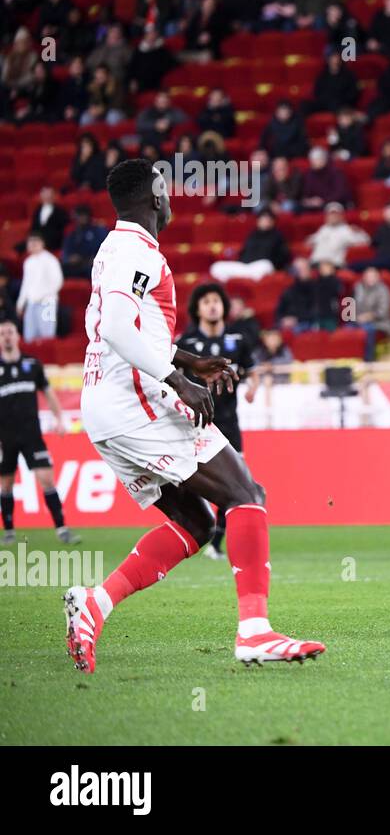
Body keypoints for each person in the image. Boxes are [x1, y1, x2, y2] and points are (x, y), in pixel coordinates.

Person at [65, 159, 324, 673]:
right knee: (245, 492)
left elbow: (129, 329)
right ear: (151, 197)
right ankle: (254, 631)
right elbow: (117, 326)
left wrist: (188, 360)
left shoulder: (113, 249)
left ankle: (94, 605)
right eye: (165, 190)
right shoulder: (135, 250)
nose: (171, 199)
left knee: (195, 522)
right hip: (135, 403)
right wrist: (176, 379)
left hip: (105, 408)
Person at [175, 283, 259, 560]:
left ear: (223, 306)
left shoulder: (239, 339)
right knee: (191, 482)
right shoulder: (186, 344)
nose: (212, 305)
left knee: (237, 481)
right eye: (206, 301)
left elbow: (253, 370)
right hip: (195, 423)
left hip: (229, 422)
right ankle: (195, 531)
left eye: (216, 301)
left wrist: (252, 388)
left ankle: (217, 543)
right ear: (197, 308)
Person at [0, 319, 76, 545]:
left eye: (10, 332)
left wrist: (59, 418)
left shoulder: (32, 365)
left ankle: (62, 529)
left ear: (17, 336)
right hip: (5, 437)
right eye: (2, 333)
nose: (6, 336)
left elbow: (48, 392)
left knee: (47, 479)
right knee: (5, 484)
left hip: (32, 435)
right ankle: (10, 532)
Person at [17, 233, 62, 341]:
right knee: (29, 336)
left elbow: (57, 281)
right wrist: (21, 302)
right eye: (30, 242)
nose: (33, 244)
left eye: (36, 241)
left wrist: (45, 295)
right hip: (32, 302)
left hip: (47, 302)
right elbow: (26, 284)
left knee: (47, 335)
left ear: (42, 243)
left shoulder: (50, 260)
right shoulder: (28, 262)